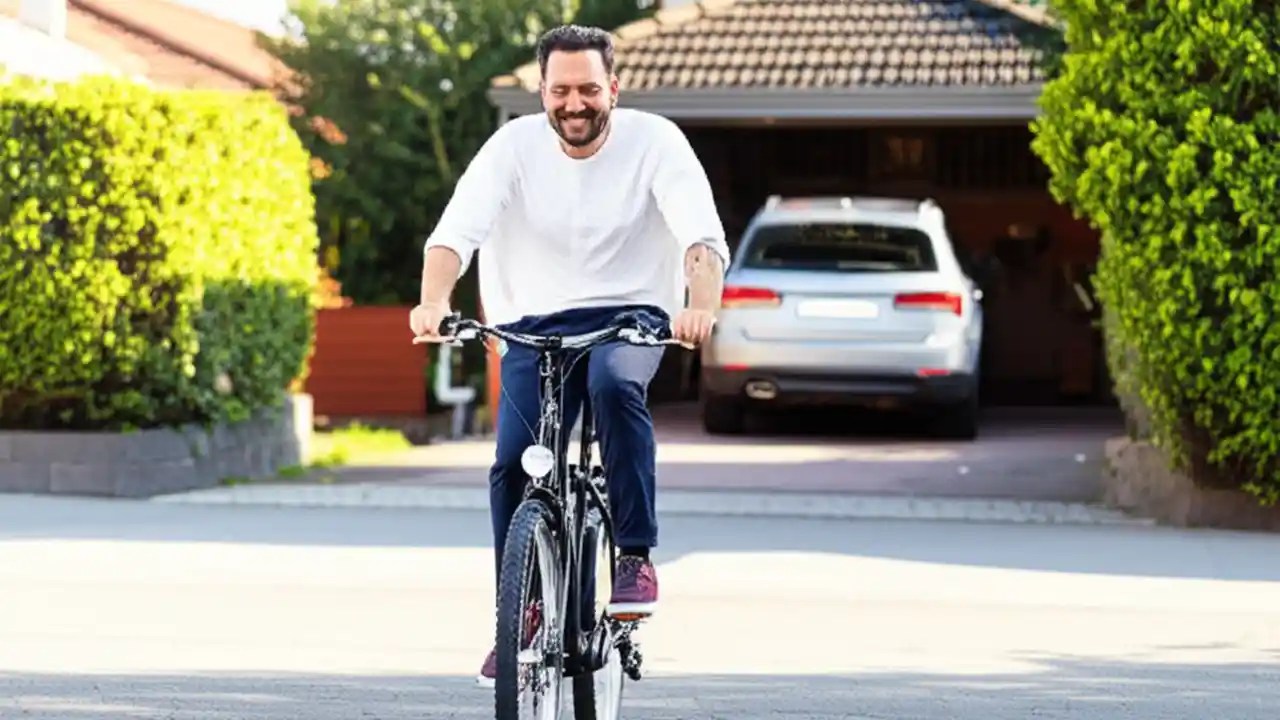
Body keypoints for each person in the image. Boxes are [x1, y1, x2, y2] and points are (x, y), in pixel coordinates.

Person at [408, 24, 731, 685]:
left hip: (630, 316)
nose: (574, 104)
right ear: (541, 91)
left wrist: (700, 305)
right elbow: (455, 233)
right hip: (534, 324)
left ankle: (634, 556)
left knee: (616, 385)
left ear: (614, 87)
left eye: (589, 89)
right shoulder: (514, 147)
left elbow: (699, 236)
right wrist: (432, 302)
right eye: (560, 91)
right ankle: (518, 610)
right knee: (510, 464)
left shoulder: (655, 142)